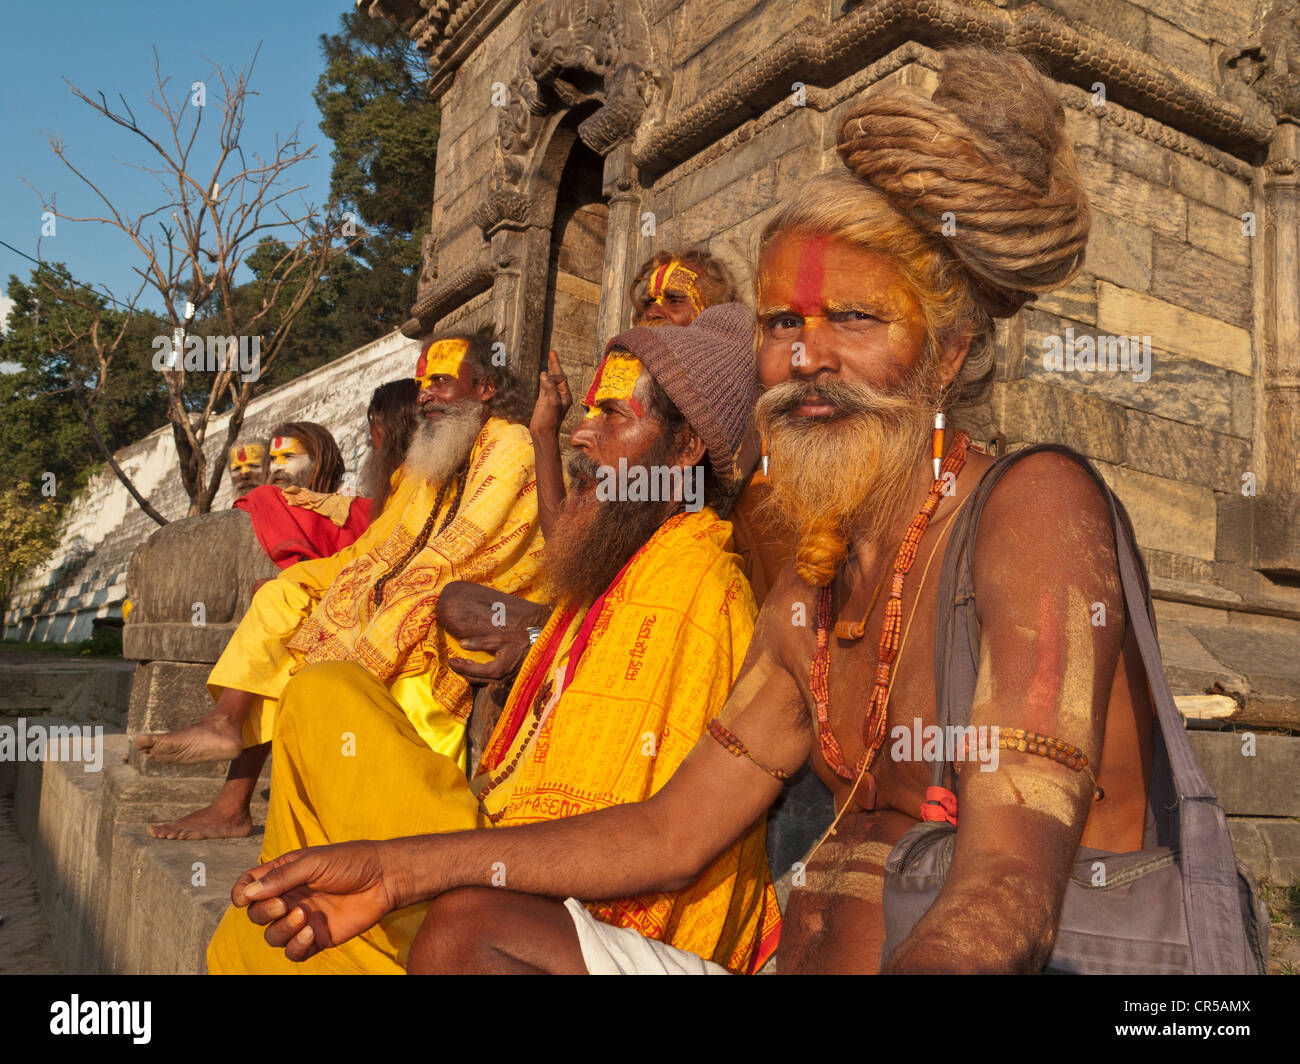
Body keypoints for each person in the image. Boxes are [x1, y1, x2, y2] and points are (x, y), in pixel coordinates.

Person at [227, 48, 1154, 975]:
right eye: (784, 324)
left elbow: (1008, 900)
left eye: (855, 321)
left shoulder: (1031, 508)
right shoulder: (816, 575)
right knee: (468, 931)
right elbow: (673, 829)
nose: (806, 360)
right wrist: (397, 872)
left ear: (948, 354)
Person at [207, 303, 781, 974]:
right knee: (322, 696)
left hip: (540, 903)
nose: (581, 438)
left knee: (325, 697)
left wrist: (418, 872)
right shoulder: (628, 559)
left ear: (685, 452)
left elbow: (638, 850)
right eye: (585, 413)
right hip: (499, 852)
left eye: (613, 417)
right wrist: (542, 637)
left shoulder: (691, 585)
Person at [137, 333, 543, 841]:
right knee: (287, 597)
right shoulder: (434, 455)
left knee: (363, 623)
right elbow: (383, 545)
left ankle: (389, 828)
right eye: (421, 386)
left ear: (485, 388)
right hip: (421, 582)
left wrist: (372, 591)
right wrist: (324, 580)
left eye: (439, 382)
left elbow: (473, 540)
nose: (424, 396)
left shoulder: (511, 442)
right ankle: (236, 766)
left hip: (487, 591)